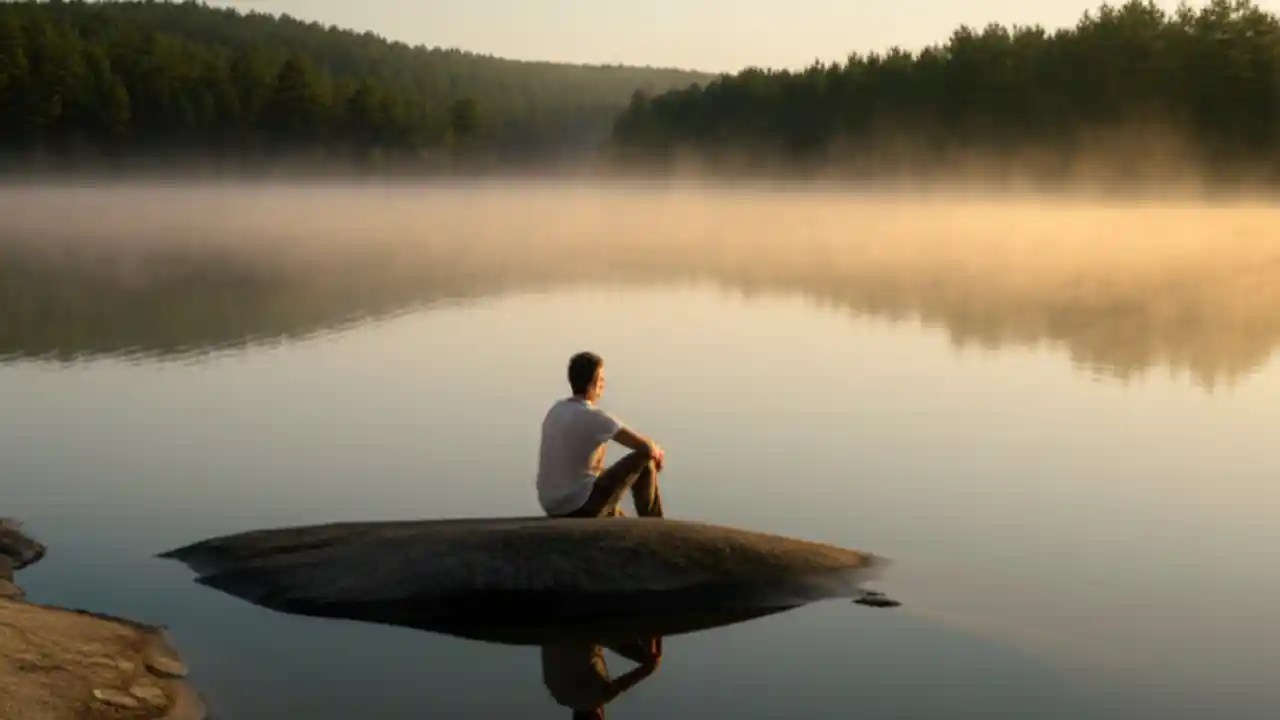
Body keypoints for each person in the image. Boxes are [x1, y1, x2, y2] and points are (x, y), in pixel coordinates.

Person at [537, 352, 665, 518]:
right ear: (595, 382)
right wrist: (658, 454)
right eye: (602, 379)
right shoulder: (595, 417)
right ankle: (655, 523)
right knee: (644, 459)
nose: (604, 384)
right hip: (578, 507)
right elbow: (645, 447)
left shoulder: (555, 411)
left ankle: (620, 517)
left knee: (612, 502)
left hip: (551, 505)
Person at [541, 638, 662, 719]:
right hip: (554, 632)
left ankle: (654, 619)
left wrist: (654, 663)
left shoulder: (598, 698)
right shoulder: (556, 692)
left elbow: (644, 671)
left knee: (649, 658)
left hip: (584, 630)